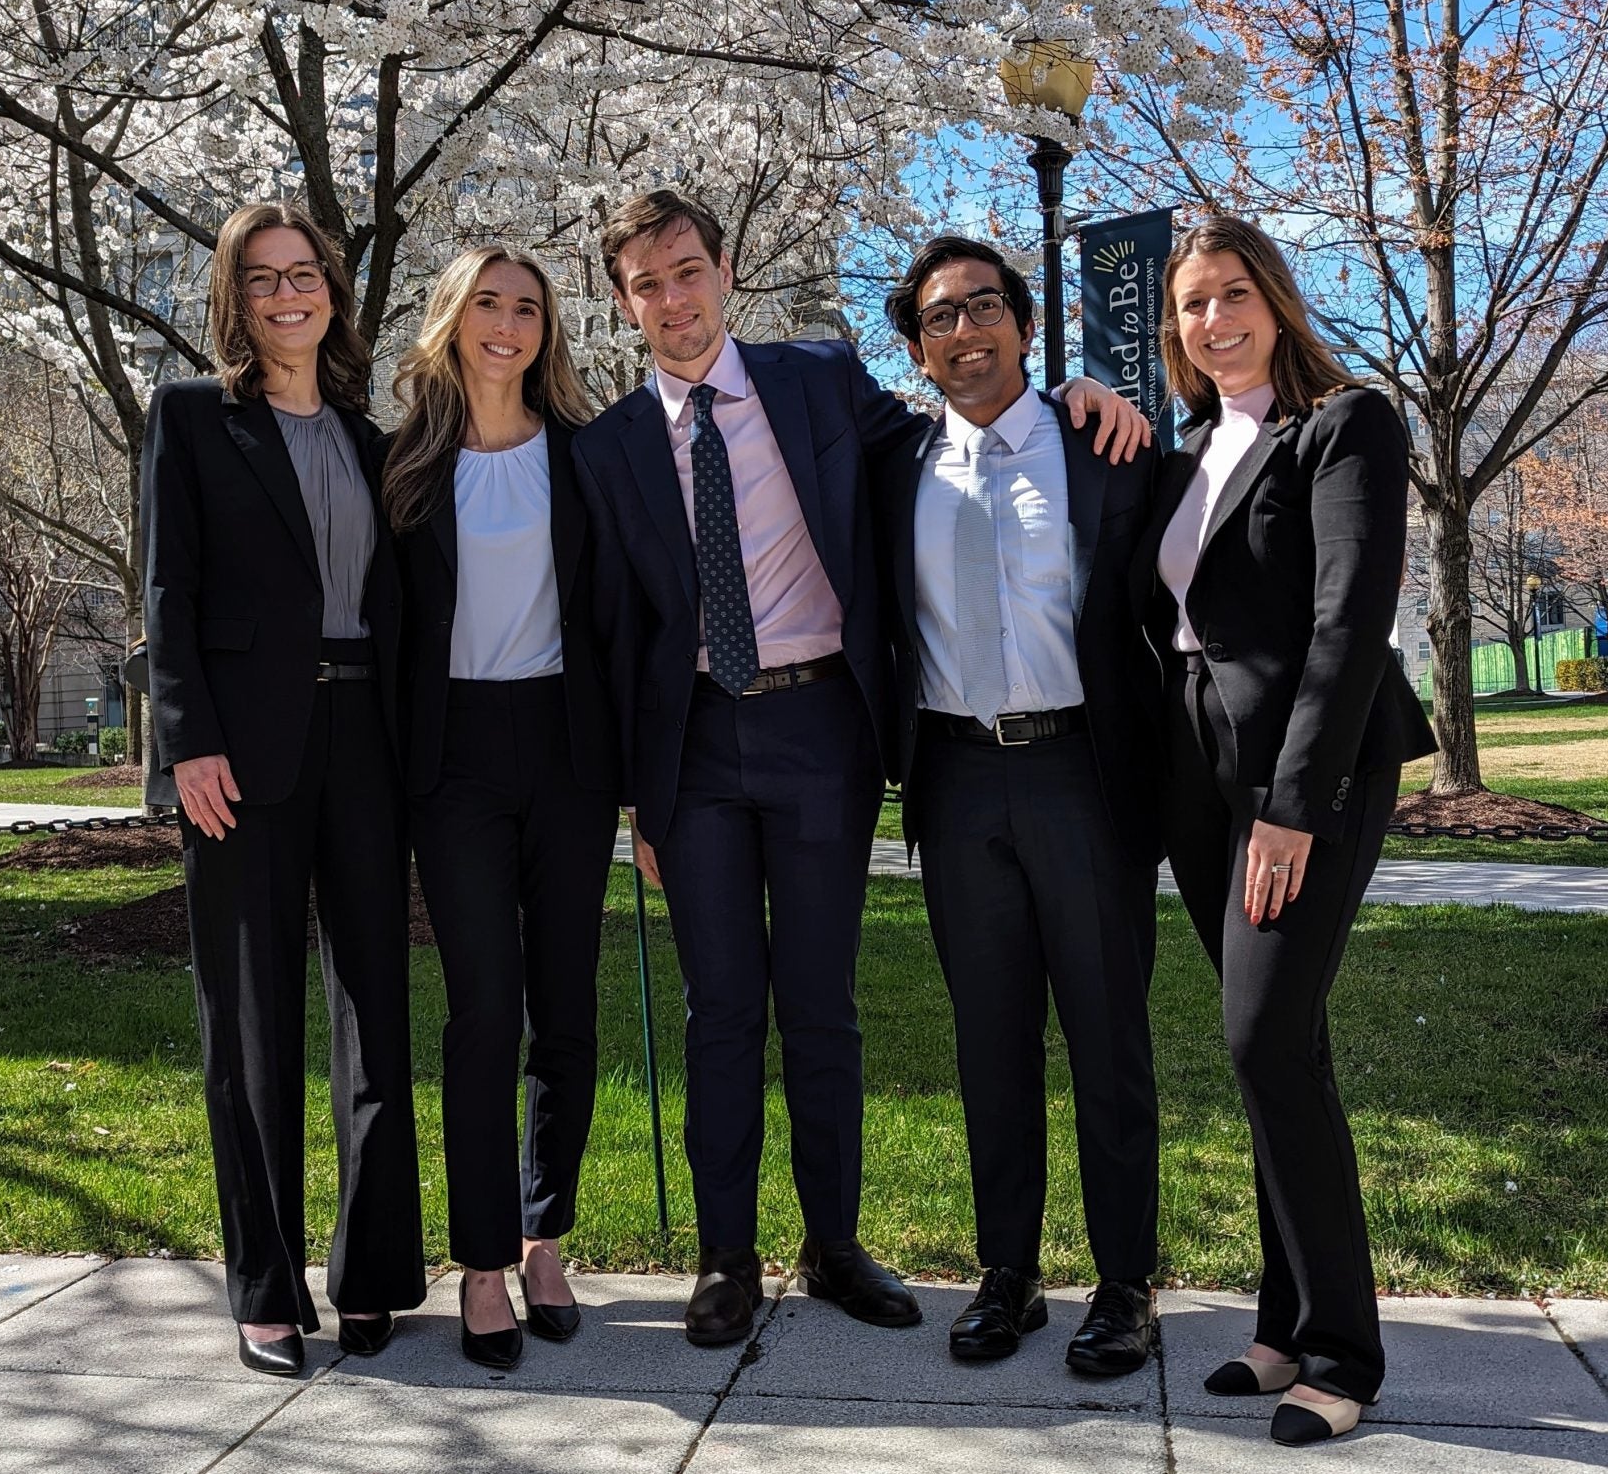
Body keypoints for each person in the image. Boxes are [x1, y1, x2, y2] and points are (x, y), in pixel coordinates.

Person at [572, 189, 1147, 1348]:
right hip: (694, 749)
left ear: (723, 268)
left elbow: (962, 427)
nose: (673, 300)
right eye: (646, 284)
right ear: (623, 302)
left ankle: (833, 1243)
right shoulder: (609, 446)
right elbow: (607, 630)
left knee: (822, 1004)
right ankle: (725, 1256)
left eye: (688, 270)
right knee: (721, 1007)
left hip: (822, 731)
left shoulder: (820, 379)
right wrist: (634, 794)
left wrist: (1080, 392)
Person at [1137, 214, 1435, 1444]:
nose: (1213, 320)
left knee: (1262, 1038)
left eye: (1231, 293)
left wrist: (1289, 807)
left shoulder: (1347, 423)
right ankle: (1280, 1323)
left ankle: (1344, 1352)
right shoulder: (1194, 445)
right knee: (1278, 1047)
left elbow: (1346, 624)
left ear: (1273, 293)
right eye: (1191, 304)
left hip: (1303, 774)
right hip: (1199, 770)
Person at [140, 202, 426, 1377]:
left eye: (303, 274)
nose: (286, 295)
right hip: (239, 754)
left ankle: (370, 1277)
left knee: (374, 1010)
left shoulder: (372, 437)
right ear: (235, 300)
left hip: (364, 734)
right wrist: (185, 740)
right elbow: (167, 591)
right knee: (249, 1017)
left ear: (331, 291)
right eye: (262, 281)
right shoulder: (193, 418)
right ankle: (263, 1286)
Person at [878, 237, 1163, 1373]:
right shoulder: (893, 463)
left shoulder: (1105, 446)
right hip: (952, 782)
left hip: (1079, 773)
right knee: (988, 1041)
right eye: (939, 318)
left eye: (982, 307)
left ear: (1024, 324)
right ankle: (1008, 1274)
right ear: (916, 347)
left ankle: (1125, 1282)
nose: (963, 331)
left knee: (1106, 1037)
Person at [384, 247, 619, 1371]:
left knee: (563, 1009)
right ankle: (478, 1260)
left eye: (527, 307)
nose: (508, 324)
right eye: (488, 302)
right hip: (455, 759)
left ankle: (541, 1235)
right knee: (484, 1009)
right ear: (452, 317)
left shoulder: (585, 457)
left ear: (546, 331)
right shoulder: (406, 467)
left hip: (566, 751)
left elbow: (621, 615)